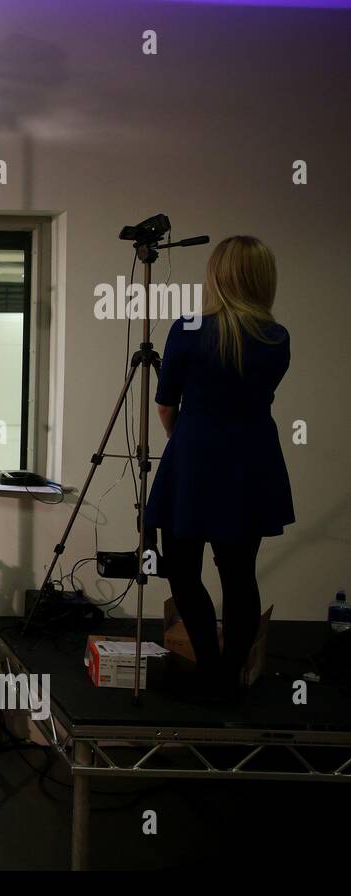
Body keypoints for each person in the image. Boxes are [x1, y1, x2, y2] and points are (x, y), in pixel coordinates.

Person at [146, 236, 294, 703]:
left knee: (183, 571)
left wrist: (186, 443)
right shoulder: (277, 338)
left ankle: (208, 666)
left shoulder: (187, 328)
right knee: (238, 572)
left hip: (193, 460)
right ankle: (229, 676)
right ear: (262, 279)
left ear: (217, 275)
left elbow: (166, 404)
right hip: (251, 464)